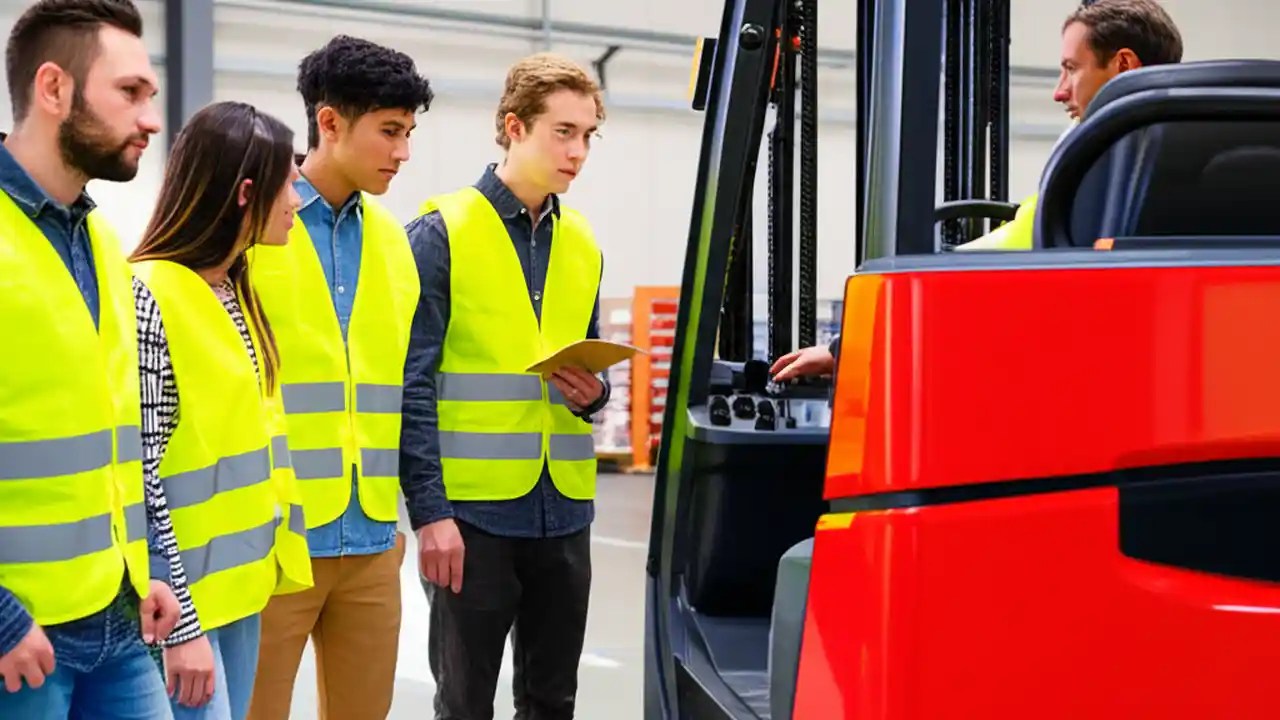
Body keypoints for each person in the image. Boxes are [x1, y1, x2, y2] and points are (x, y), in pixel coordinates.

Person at [771, 0, 1184, 382]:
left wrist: (852, 345)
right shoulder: (1189, 152)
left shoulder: (1104, 168)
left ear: (1124, 65)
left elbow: (983, 267)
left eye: (1071, 69)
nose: (1059, 90)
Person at [401, 51, 610, 720]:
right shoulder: (441, 234)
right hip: (474, 519)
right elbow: (413, 385)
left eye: (588, 136)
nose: (578, 152)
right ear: (515, 127)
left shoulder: (583, 242)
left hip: (565, 512)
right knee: (464, 705)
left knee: (553, 700)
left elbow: (592, 368)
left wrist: (595, 396)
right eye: (564, 132)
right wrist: (431, 513)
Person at [0, 0, 183, 716]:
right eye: (130, 92)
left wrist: (151, 571)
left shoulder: (105, 242)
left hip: (121, 622)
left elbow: (117, 437)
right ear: (54, 90)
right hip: (24, 640)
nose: (150, 118)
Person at [245, 35, 433, 720]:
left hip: (373, 543)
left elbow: (403, 390)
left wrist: (406, 517)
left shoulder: (395, 242)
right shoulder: (251, 228)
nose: (402, 152)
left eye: (408, 132)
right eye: (389, 131)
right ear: (328, 122)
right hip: (275, 545)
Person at [129, 101, 314, 720]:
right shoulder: (151, 295)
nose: (297, 197)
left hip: (240, 594)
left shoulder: (234, 289)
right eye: (289, 180)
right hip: (178, 610)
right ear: (244, 192)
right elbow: (139, 475)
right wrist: (181, 627)